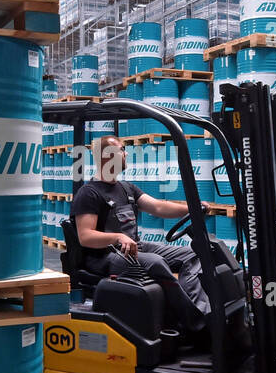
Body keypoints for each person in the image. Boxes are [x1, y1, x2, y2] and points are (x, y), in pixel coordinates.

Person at [71, 135, 211, 330]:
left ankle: (203, 309)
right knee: (155, 262)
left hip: (134, 248)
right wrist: (118, 236)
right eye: (121, 149)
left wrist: (192, 208)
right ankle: (196, 323)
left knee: (193, 254)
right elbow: (85, 236)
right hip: (106, 255)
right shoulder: (89, 193)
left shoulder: (126, 188)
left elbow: (159, 207)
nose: (126, 153)